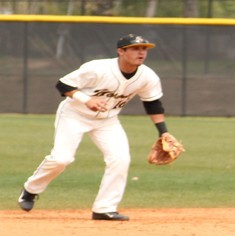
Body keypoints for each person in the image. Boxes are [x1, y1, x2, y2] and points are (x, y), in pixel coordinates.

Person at [17, 34, 175, 221]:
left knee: (120, 159)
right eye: (135, 48)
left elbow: (153, 103)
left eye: (144, 49)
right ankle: (31, 190)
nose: (141, 52)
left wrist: (163, 131)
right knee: (62, 159)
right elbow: (63, 84)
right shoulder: (98, 68)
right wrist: (86, 99)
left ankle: (104, 208)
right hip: (74, 115)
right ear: (121, 51)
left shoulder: (147, 76)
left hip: (107, 120)